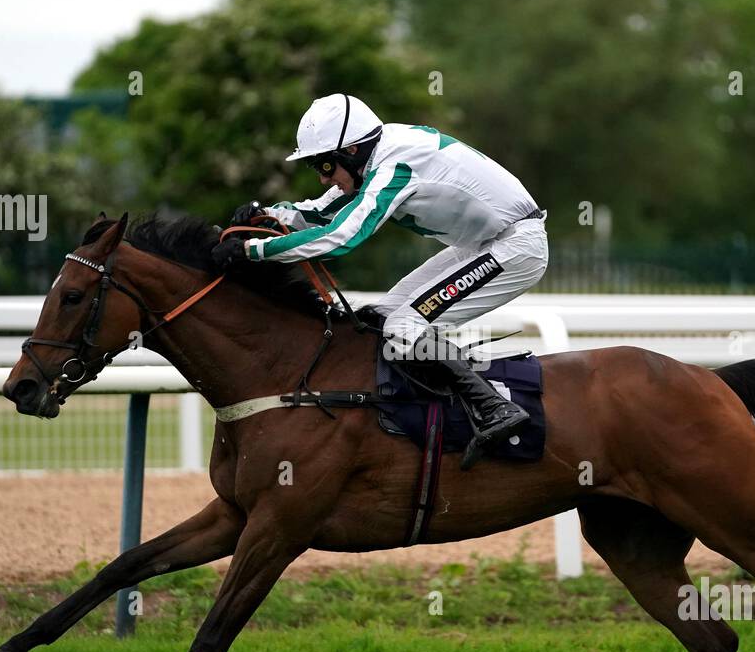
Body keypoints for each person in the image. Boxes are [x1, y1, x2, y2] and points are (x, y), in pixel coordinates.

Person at [214, 94, 548, 469]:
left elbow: (342, 236)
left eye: (326, 165)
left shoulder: (397, 163)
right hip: (485, 244)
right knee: (381, 317)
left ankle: (494, 408)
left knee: (405, 324)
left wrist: (256, 252)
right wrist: (269, 214)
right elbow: (324, 209)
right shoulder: (376, 158)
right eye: (315, 167)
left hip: (516, 247)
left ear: (354, 150)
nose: (324, 177)